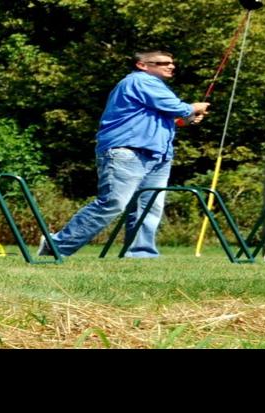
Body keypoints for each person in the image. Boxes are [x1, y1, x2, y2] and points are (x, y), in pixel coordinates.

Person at [40, 51, 209, 260]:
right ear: (142, 65)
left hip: (157, 155)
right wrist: (193, 108)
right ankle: (56, 245)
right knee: (113, 203)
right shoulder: (140, 81)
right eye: (162, 63)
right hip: (128, 152)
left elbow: (162, 118)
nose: (171, 66)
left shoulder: (153, 87)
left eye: (172, 63)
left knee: (149, 207)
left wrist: (186, 119)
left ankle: (141, 254)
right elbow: (176, 107)